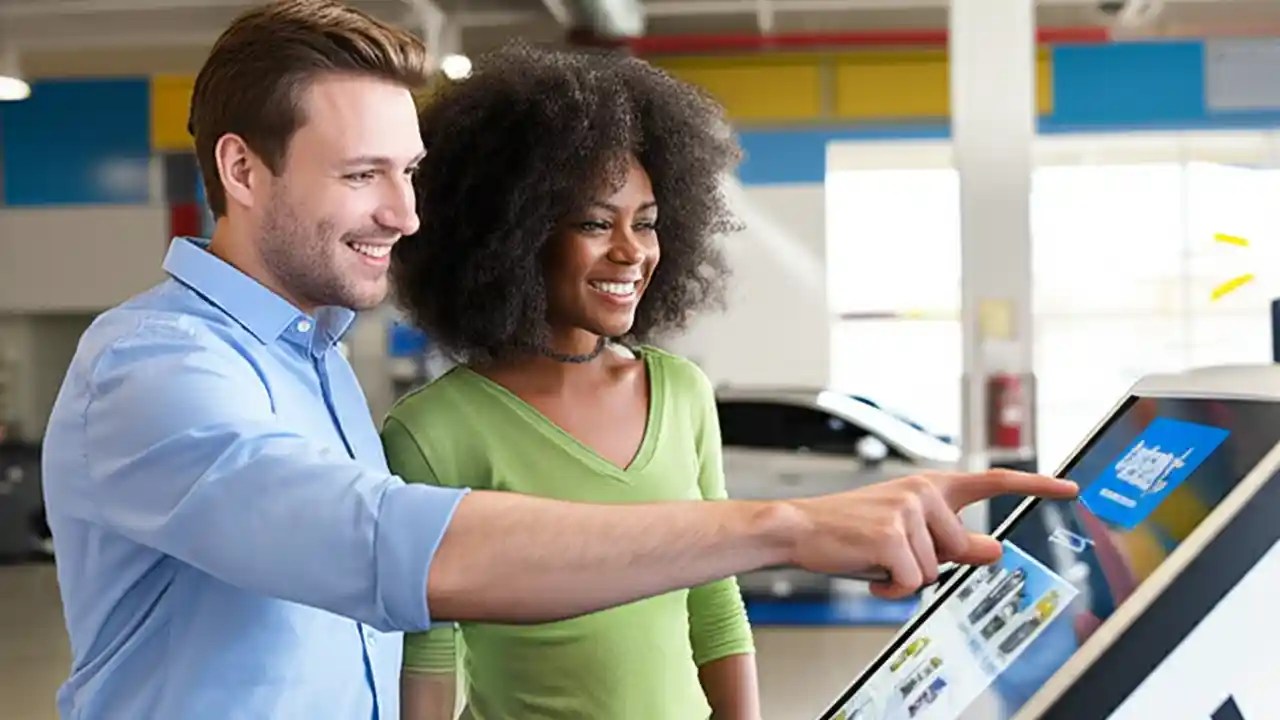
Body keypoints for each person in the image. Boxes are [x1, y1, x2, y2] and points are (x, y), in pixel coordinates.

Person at [38, 1, 1078, 718]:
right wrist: (785, 526)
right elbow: (399, 554)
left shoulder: (311, 365)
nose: (404, 215)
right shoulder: (156, 370)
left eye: (408, 174)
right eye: (363, 175)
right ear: (240, 169)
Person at [382, 43, 757, 719]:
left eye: (645, 223)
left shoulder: (681, 393)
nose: (631, 252)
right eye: (594, 223)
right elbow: (428, 650)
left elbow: (715, 606)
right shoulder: (433, 432)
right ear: (512, 235)